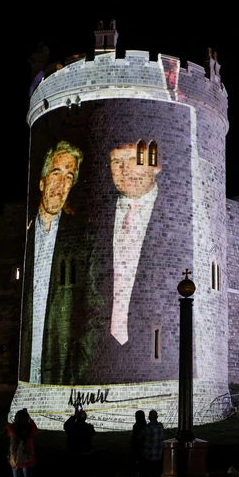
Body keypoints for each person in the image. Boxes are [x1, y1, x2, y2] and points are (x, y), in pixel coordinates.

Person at [80, 139, 194, 384]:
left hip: (156, 356)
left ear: (156, 164)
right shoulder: (92, 219)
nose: (124, 170)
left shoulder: (182, 216)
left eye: (134, 160)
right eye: (116, 162)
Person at [18, 140, 86, 386]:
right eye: (56, 173)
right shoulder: (22, 238)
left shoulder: (80, 240)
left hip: (60, 369)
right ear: (42, 181)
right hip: (23, 364)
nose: (60, 184)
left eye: (69, 177)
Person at [7, 409, 39, 477]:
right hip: (27, 458)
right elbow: (35, 431)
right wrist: (30, 419)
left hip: (15, 459)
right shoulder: (29, 428)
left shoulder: (12, 428)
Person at [63, 407, 95, 477]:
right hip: (85, 456)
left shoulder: (72, 427)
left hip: (73, 456)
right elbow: (93, 433)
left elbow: (66, 425)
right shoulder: (88, 428)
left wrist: (74, 416)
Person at [138, 410, 165, 477]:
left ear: (149, 418)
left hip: (148, 456)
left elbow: (139, 437)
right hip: (158, 456)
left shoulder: (147, 428)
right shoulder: (160, 427)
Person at [130, 410, 146, 477]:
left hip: (138, 449)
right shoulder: (145, 425)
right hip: (145, 449)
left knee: (139, 466)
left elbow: (135, 438)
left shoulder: (136, 426)